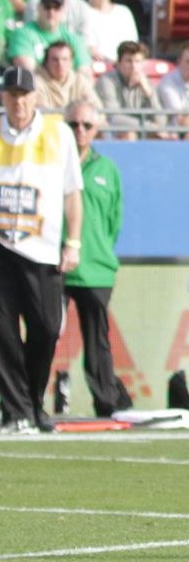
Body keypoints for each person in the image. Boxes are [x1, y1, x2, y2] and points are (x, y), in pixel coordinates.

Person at [0, 67, 82, 435]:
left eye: (24, 94)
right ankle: (15, 411)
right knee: (3, 333)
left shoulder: (58, 133)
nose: (18, 102)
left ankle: (31, 403)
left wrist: (73, 242)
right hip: (2, 246)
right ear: (3, 97)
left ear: (36, 97)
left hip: (42, 249)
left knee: (47, 328)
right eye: (12, 94)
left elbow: (72, 194)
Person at [60, 99, 133, 417]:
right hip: (54, 265)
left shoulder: (108, 169)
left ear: (96, 129)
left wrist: (98, 248)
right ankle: (25, 402)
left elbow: (114, 220)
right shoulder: (52, 164)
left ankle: (106, 403)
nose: (79, 130)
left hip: (96, 267)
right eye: (73, 124)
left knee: (97, 340)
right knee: (44, 334)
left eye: (86, 125)